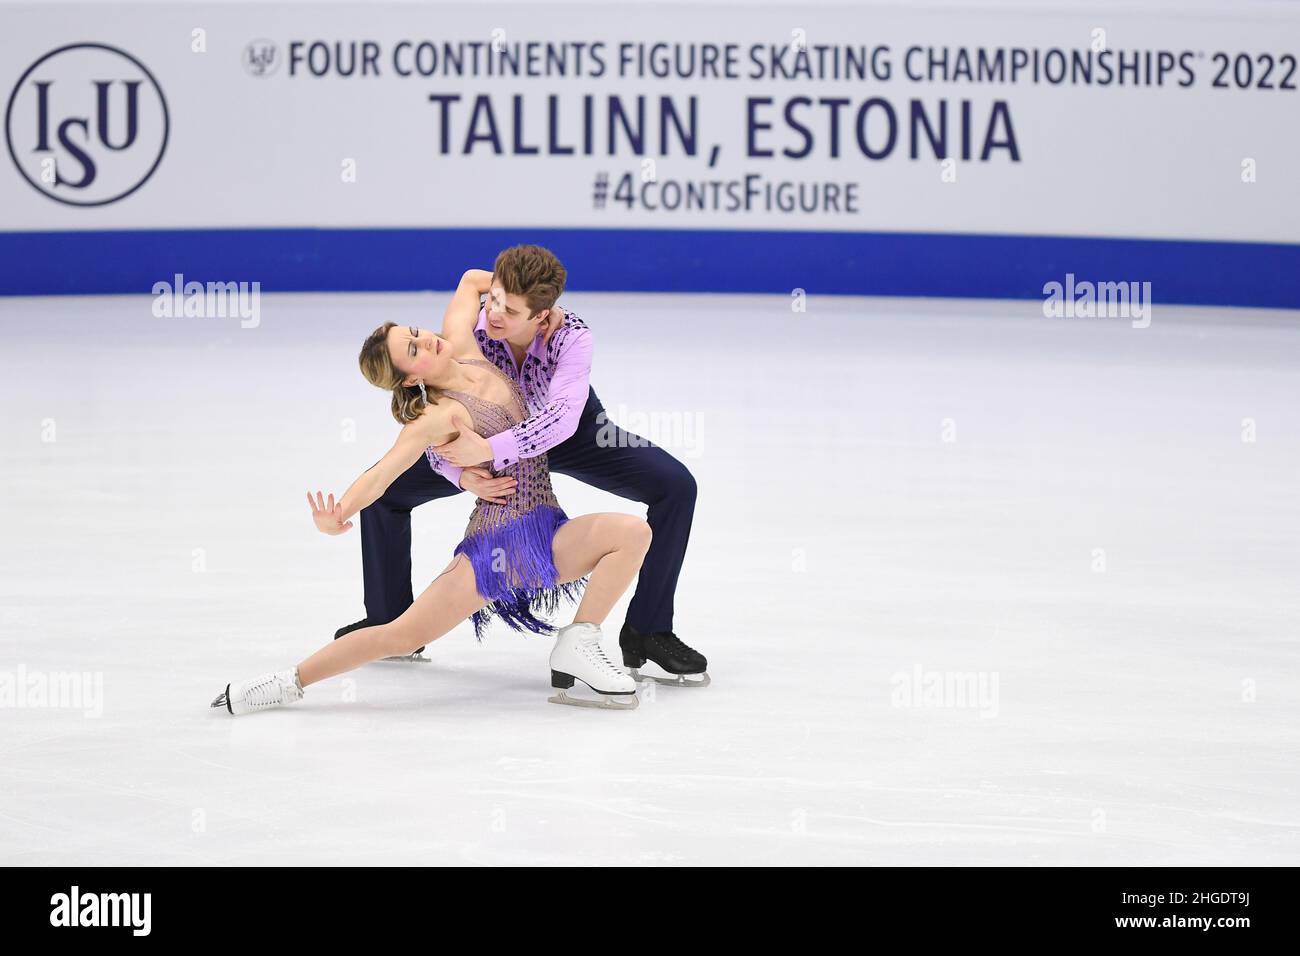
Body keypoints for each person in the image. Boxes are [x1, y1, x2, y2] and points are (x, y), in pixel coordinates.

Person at [210, 268, 652, 715]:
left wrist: (533, 301)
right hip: (498, 543)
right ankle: (284, 683)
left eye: (417, 333)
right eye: (414, 350)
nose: (428, 341)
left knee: (632, 533)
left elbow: (468, 282)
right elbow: (383, 474)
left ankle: (578, 642)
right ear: (408, 380)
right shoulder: (437, 417)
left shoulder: (465, 346)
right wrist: (339, 511)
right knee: (401, 635)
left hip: (547, 527)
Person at [343, 245, 708, 687]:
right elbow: (440, 419)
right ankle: (392, 624)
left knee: (676, 486)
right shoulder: (472, 335)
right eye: (493, 299)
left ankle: (647, 630)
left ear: (542, 314)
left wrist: (490, 452)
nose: (493, 316)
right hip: (485, 445)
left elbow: (560, 420)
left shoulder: (570, 336)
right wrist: (459, 470)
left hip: (570, 434)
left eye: (510, 309)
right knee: (386, 495)